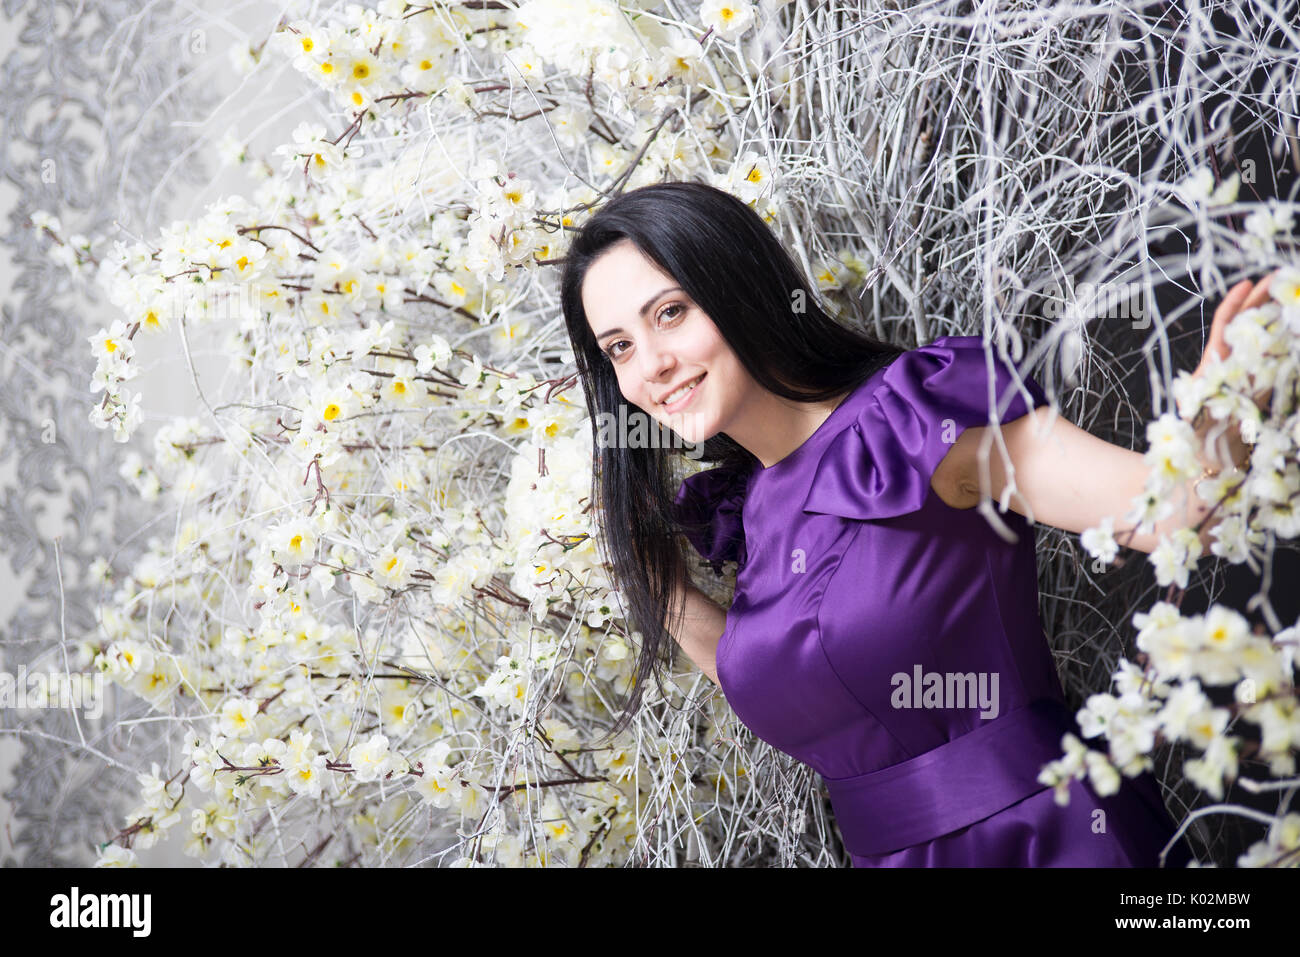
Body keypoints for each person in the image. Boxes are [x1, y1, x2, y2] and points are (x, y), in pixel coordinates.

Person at [559, 179, 1271, 867]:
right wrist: (648, 572)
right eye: (618, 346)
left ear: (740, 287)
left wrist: (1219, 425)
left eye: (671, 312)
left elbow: (1171, 510)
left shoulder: (915, 418)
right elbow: (773, 672)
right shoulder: (749, 507)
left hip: (1048, 836)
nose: (649, 364)